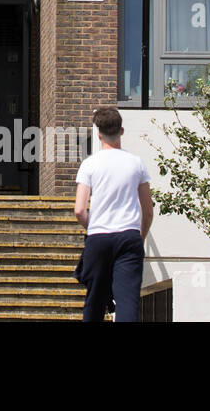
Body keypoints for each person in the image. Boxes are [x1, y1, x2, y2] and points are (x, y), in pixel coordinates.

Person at [73, 106, 153, 322]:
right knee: (128, 301)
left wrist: (94, 227)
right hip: (128, 236)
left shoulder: (89, 164)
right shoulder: (137, 163)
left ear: (98, 134)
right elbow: (148, 210)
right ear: (122, 131)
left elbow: (79, 210)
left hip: (99, 238)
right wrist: (140, 237)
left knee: (96, 299)